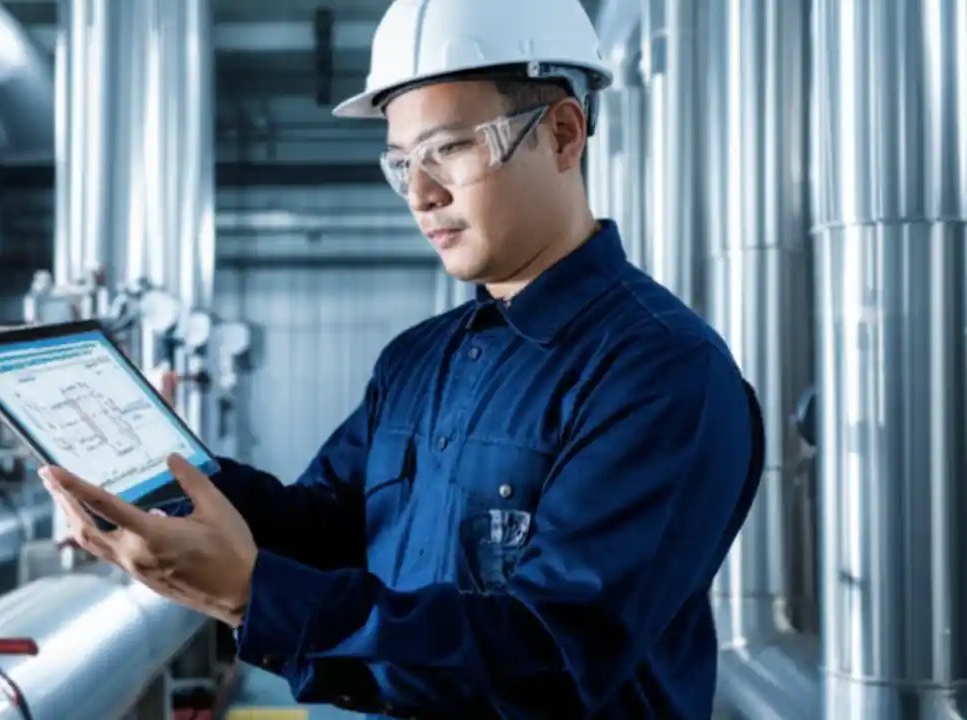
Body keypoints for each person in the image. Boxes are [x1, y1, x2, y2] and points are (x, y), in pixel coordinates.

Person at [40, 0, 764, 717]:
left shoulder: (663, 373)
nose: (420, 195)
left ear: (565, 134)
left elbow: (547, 662)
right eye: (402, 162)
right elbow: (326, 529)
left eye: (450, 148)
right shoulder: (419, 361)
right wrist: (169, 476)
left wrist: (249, 595)